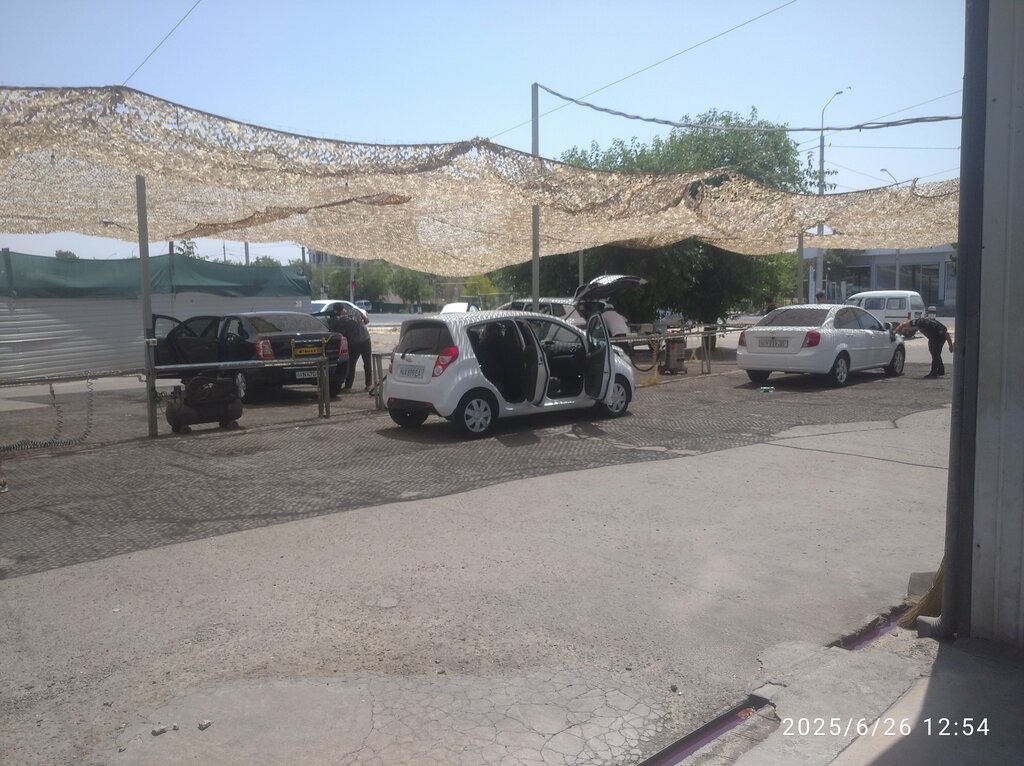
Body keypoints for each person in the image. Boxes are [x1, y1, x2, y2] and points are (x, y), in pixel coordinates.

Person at [329, 305, 373, 391]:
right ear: (344, 307)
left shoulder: (341, 320)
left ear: (336, 311)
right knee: (367, 363)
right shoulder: (355, 310)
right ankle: (369, 385)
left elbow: (341, 333)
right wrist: (360, 326)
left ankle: (348, 387)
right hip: (366, 339)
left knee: (351, 365)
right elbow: (367, 320)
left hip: (354, 343)